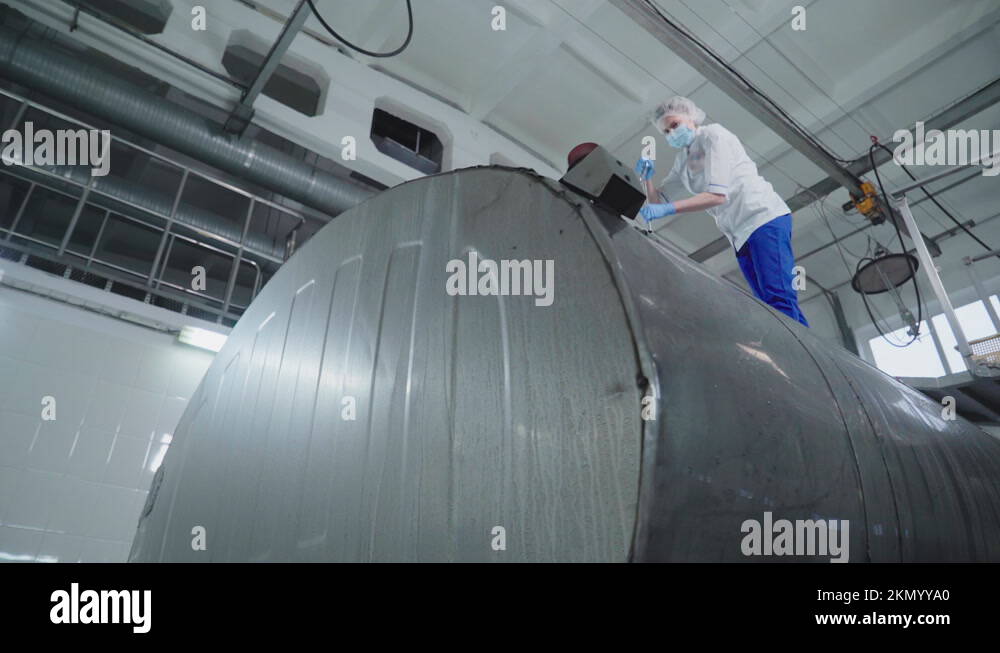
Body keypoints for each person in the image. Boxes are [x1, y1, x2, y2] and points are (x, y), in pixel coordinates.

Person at [635, 96, 809, 327]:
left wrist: (669, 209)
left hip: (762, 216)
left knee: (779, 300)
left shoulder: (713, 136)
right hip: (739, 233)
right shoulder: (683, 161)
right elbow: (658, 200)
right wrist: (646, 179)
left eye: (674, 124)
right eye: (666, 132)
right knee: (770, 308)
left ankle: (796, 357)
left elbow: (718, 195)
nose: (672, 134)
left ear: (691, 117)